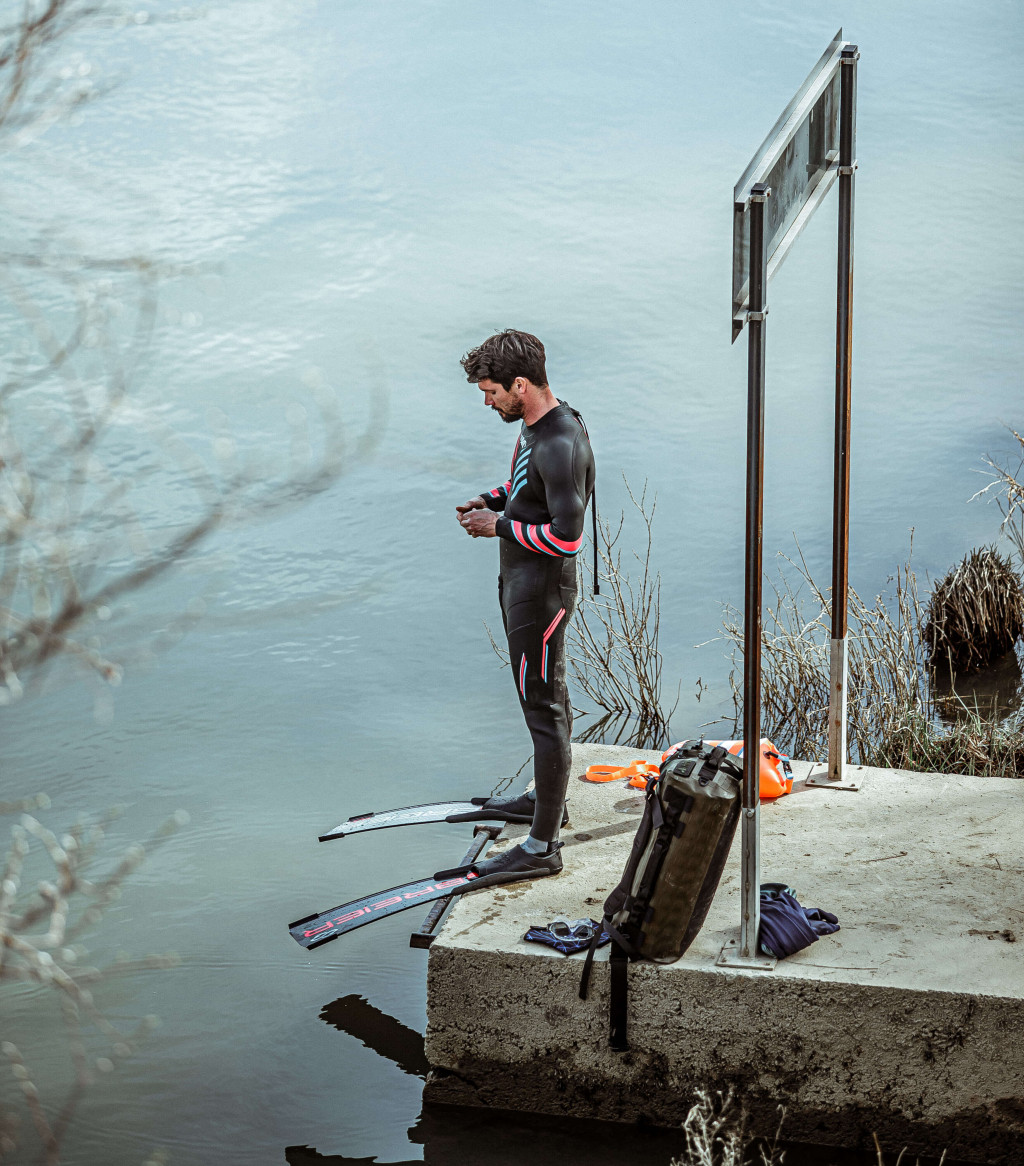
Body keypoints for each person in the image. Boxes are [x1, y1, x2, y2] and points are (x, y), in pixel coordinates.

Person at [454, 329, 595, 885]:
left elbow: (567, 537)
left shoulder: (561, 440)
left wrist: (498, 526)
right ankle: (546, 805)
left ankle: (541, 846)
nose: (487, 402)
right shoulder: (538, 427)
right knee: (544, 702)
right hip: (522, 586)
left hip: (542, 595)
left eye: (491, 392)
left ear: (519, 384)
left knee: (544, 709)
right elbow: (530, 487)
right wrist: (494, 500)